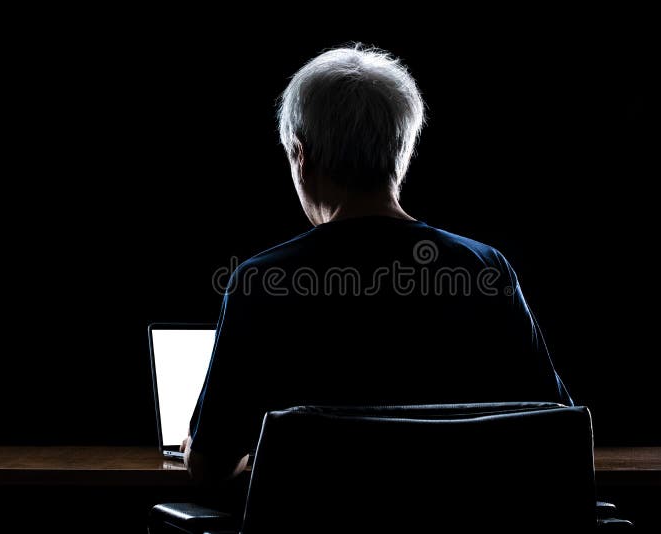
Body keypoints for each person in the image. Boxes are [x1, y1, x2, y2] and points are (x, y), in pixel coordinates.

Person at [182, 46, 572, 483]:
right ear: (402, 154)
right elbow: (558, 428)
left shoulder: (260, 282)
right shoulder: (484, 269)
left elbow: (208, 466)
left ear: (301, 156)